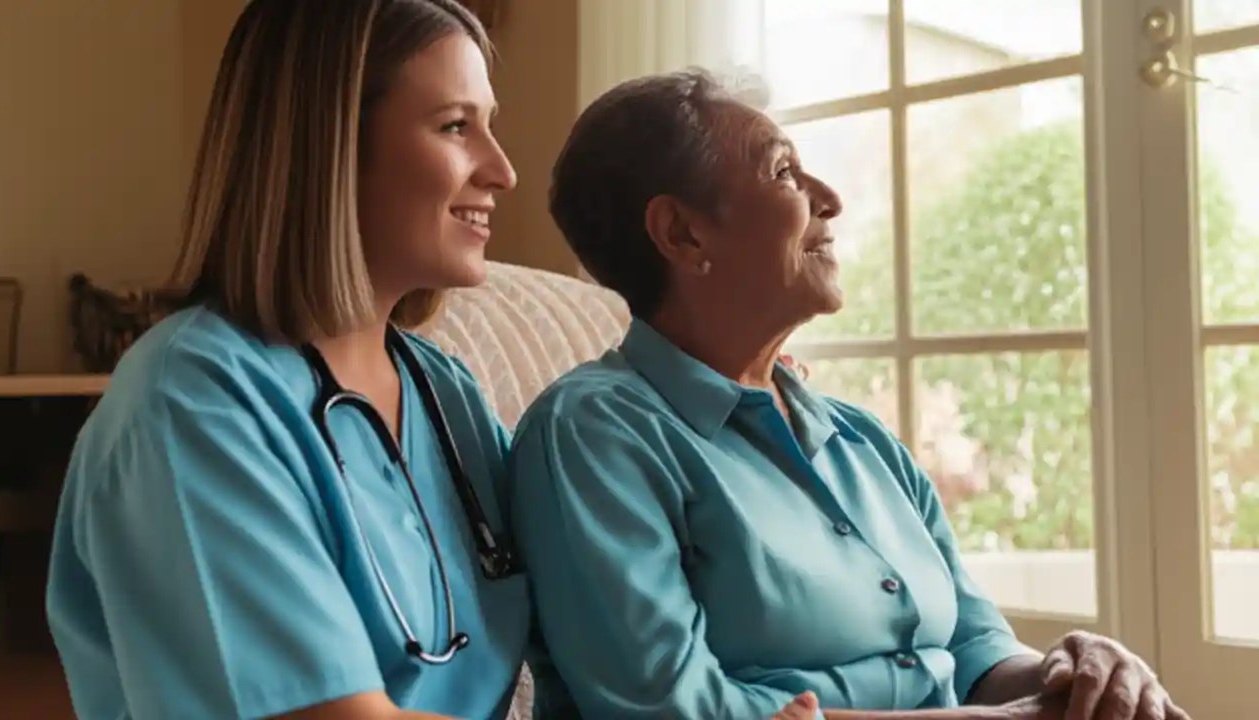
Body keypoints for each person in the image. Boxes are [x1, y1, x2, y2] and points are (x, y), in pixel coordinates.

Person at [44, 3, 820, 719]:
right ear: (331, 144)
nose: (503, 170)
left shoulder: (443, 391)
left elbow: (609, 610)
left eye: (490, 125)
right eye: (455, 126)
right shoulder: (192, 402)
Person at [509, 69, 1192, 720]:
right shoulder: (595, 431)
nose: (828, 197)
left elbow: (976, 652)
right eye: (783, 171)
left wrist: (1078, 674)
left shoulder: (862, 441)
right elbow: (671, 710)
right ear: (682, 233)